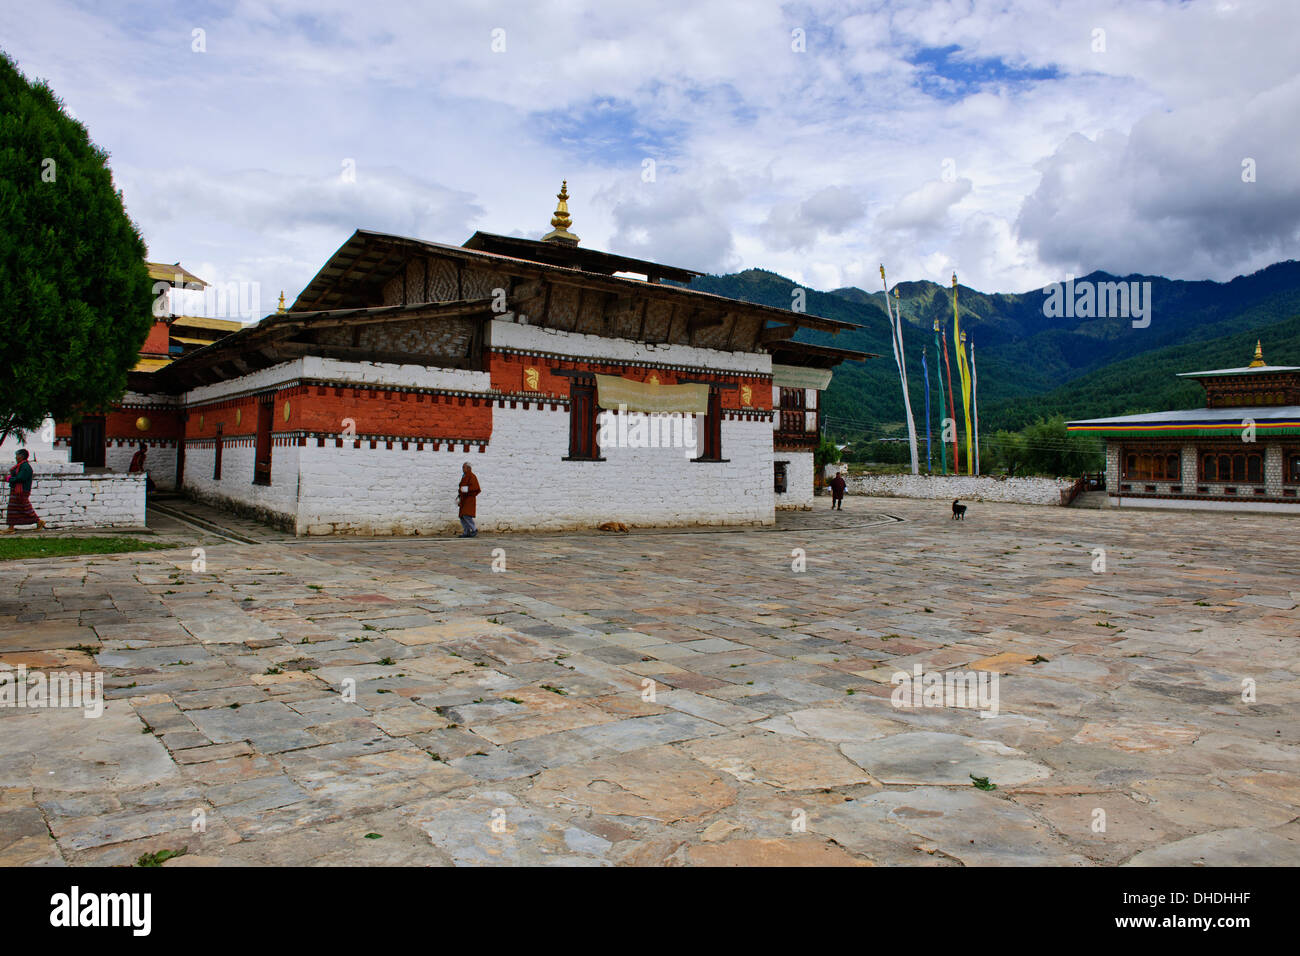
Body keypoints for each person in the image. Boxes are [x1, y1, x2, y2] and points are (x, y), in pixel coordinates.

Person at [4, 449, 45, 534]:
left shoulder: (25, 467)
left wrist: (9, 479)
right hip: (17, 490)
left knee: (23, 508)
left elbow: (20, 478)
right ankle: (11, 527)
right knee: (16, 508)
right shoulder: (20, 466)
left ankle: (38, 521)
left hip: (21, 491)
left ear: (21, 457)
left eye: (17, 456)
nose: (16, 457)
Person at [455, 462, 480, 537]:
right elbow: (461, 488)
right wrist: (459, 496)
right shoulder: (464, 476)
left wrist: (465, 489)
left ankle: (474, 529)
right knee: (462, 516)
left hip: (469, 499)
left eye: (464, 467)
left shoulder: (472, 476)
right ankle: (466, 532)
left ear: (468, 468)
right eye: (462, 467)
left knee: (467, 515)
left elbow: (476, 488)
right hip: (463, 499)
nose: (462, 469)